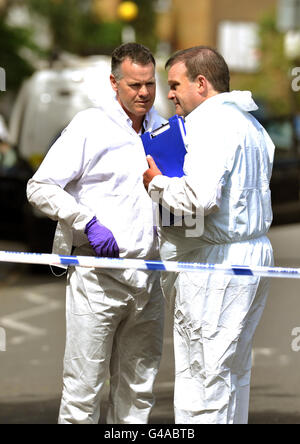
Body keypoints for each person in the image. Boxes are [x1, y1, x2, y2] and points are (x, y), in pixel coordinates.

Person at [27, 42, 166, 424]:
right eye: (134, 85)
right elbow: (39, 186)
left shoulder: (162, 129)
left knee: (138, 392)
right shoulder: (91, 125)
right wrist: (85, 221)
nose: (143, 93)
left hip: (150, 276)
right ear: (114, 82)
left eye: (150, 84)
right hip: (97, 278)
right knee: (83, 391)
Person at [143, 46, 275, 424]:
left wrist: (158, 184)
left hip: (216, 263)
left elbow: (201, 198)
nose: (168, 94)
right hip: (249, 254)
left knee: (202, 375)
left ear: (201, 83)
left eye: (174, 85)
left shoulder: (208, 124)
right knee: (231, 372)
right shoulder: (251, 124)